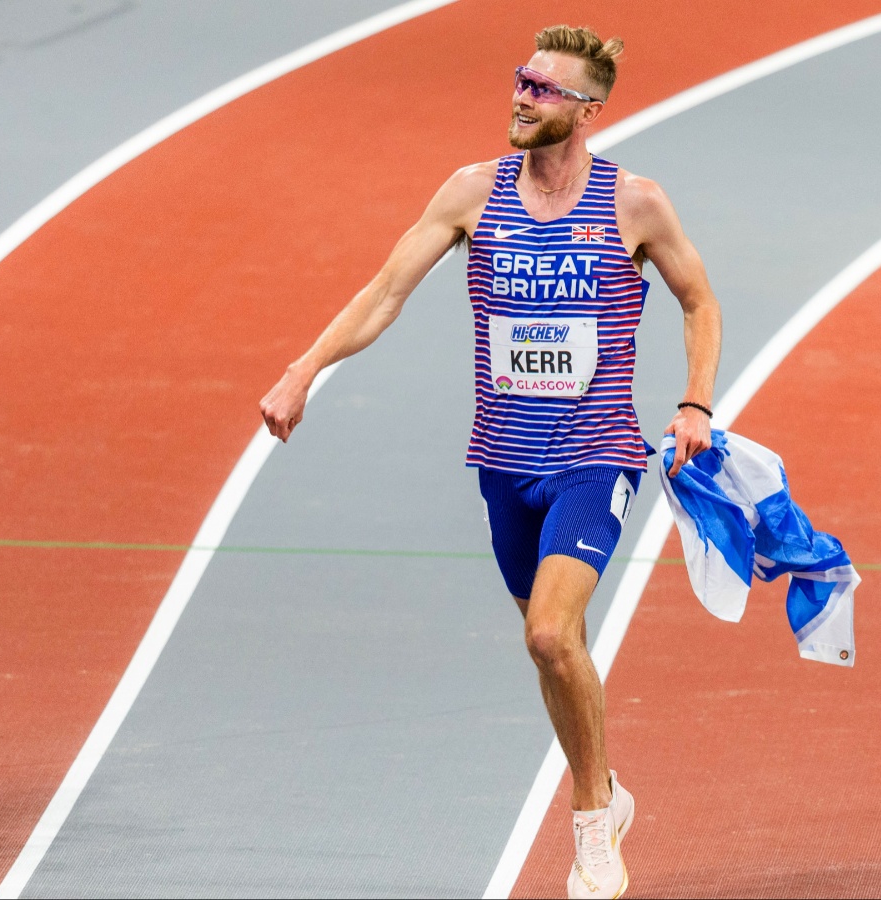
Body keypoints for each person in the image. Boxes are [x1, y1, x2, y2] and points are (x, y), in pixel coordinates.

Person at [258, 24, 721, 899]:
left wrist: (695, 401)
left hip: (594, 458)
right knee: (553, 651)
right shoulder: (472, 192)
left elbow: (698, 301)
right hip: (503, 464)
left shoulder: (634, 203)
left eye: (543, 90)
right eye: (520, 80)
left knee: (549, 633)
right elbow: (385, 292)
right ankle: (608, 786)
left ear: (586, 111)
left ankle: (591, 822)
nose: (521, 97)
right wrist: (303, 370)